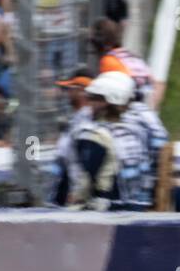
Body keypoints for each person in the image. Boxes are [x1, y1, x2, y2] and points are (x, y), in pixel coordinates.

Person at [66, 70, 146, 211]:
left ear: (107, 101)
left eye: (94, 98)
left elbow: (86, 178)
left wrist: (74, 203)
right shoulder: (136, 131)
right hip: (136, 206)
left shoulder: (96, 135)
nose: (90, 103)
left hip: (108, 210)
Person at [49, 68, 91, 206]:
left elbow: (88, 160)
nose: (65, 93)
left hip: (77, 195)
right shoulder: (76, 118)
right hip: (66, 188)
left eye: (69, 89)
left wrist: (78, 192)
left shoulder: (87, 120)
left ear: (82, 91)